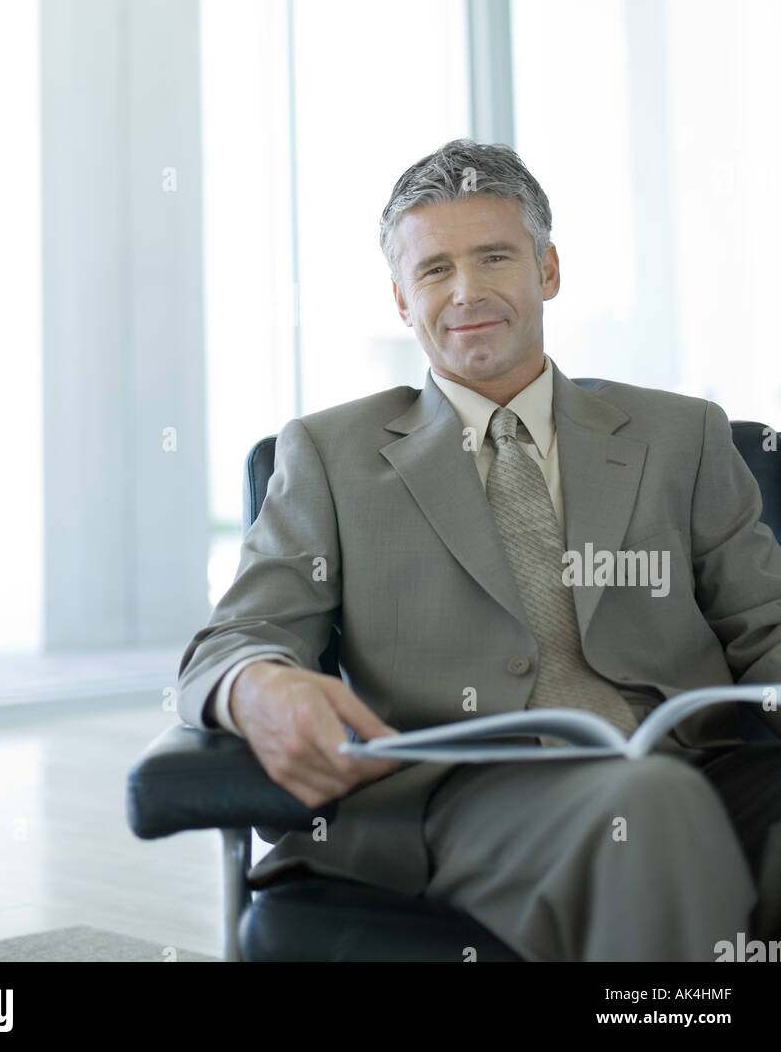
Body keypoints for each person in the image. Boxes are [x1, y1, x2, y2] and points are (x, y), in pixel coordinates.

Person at [178, 139, 781, 961]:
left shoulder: (682, 435)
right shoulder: (328, 453)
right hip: (465, 794)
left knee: (661, 797)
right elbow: (237, 638)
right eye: (433, 271)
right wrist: (255, 690)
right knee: (644, 811)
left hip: (697, 763)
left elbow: (766, 625)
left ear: (548, 270)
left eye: (494, 257)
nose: (465, 293)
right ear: (400, 299)